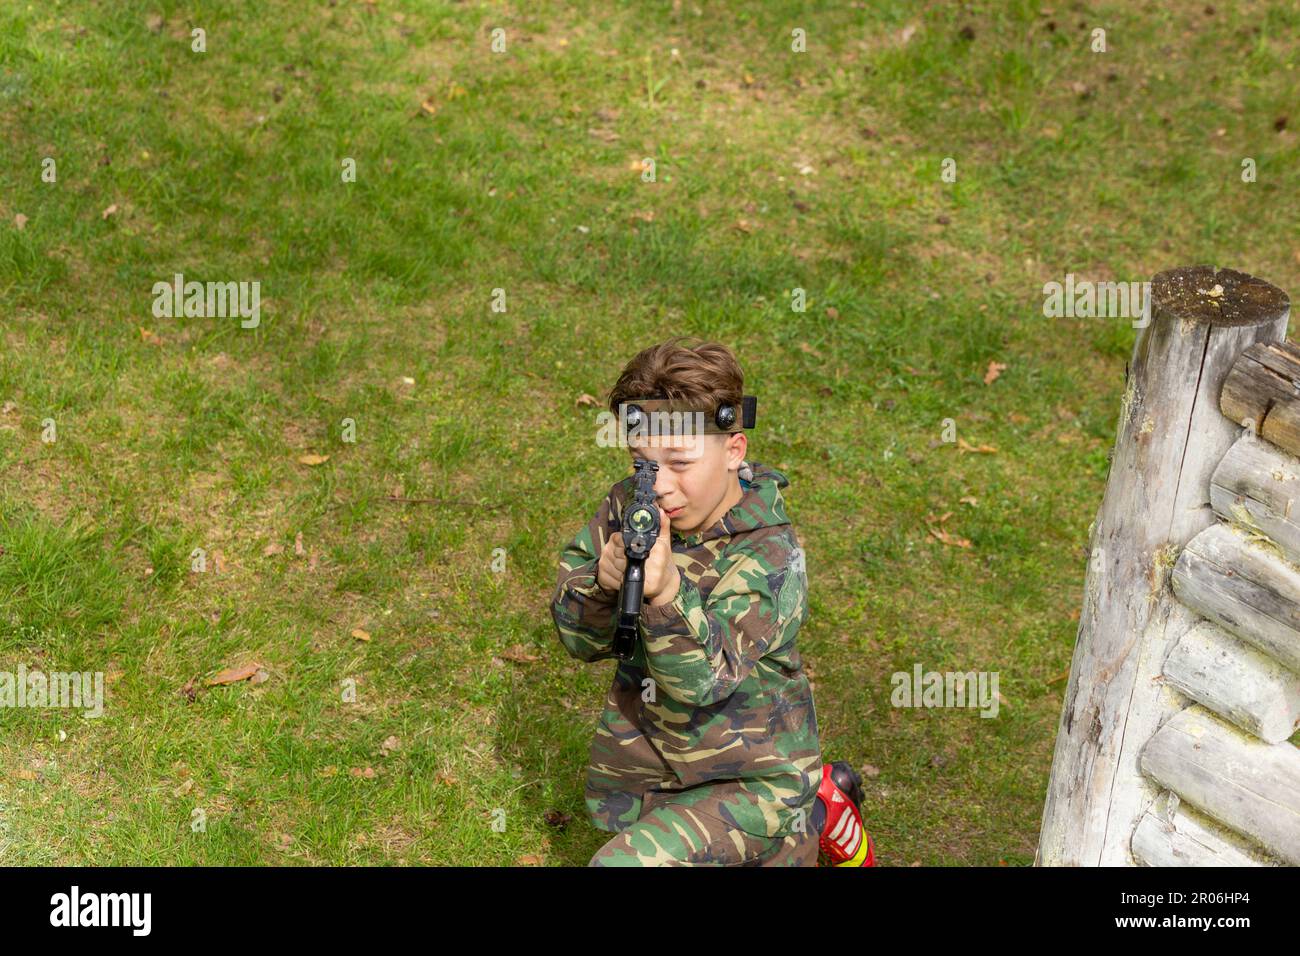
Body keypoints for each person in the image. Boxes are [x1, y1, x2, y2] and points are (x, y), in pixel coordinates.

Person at [550, 337, 875, 866]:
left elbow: (702, 682)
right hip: (653, 771)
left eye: (680, 461)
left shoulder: (771, 556)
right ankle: (821, 807)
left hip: (750, 780)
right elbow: (578, 640)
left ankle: (810, 813)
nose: (658, 487)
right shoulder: (628, 506)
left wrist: (665, 594)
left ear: (734, 450)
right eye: (642, 463)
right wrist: (601, 584)